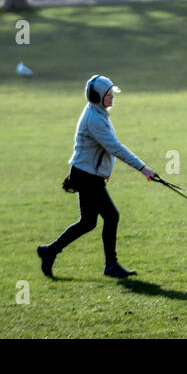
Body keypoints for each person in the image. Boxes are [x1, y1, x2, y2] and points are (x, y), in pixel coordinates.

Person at [37, 74, 156, 279]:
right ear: (97, 97)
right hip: (87, 177)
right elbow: (115, 148)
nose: (112, 98)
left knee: (88, 222)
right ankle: (111, 265)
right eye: (108, 95)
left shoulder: (98, 112)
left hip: (87, 174)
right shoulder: (95, 119)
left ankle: (49, 251)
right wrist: (143, 168)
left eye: (112, 94)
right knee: (112, 216)